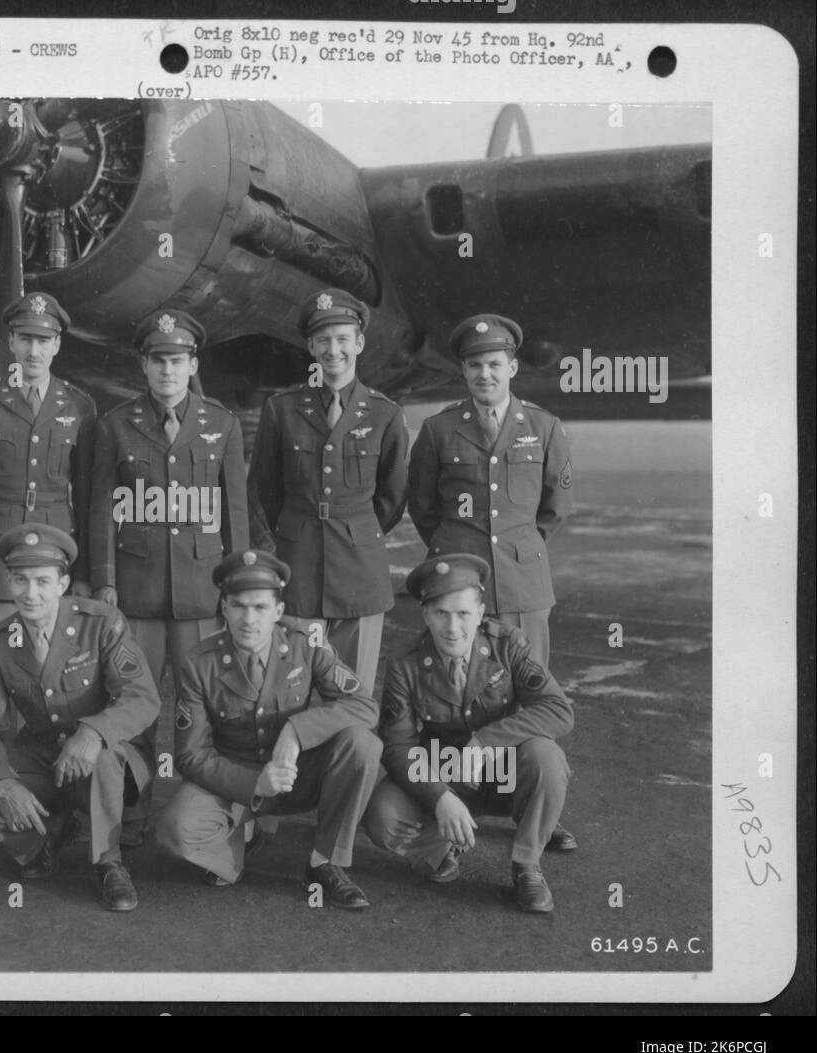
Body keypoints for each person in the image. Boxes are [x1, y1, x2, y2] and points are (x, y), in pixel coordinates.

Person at [89, 309, 248, 846]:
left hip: (202, 592)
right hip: (135, 592)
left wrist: (239, 587)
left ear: (192, 364)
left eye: (177, 361)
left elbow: (235, 514)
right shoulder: (117, 423)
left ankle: (206, 812)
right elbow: (100, 510)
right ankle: (130, 816)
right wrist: (104, 578)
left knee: (203, 709)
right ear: (144, 365)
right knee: (134, 706)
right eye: (158, 361)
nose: (167, 371)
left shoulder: (222, 423)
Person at [157, 549, 381, 909]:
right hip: (236, 781)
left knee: (362, 744)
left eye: (260, 608)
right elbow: (189, 754)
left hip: (297, 774)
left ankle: (326, 861)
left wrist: (297, 730)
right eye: (239, 606)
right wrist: (253, 785)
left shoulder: (305, 642)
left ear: (278, 611)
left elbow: (364, 706)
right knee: (176, 829)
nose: (249, 619)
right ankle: (239, 843)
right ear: (224, 609)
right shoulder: (199, 662)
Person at [0, 524, 161, 911]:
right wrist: (2, 782)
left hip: (108, 762)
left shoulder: (101, 623)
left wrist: (93, 733)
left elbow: (142, 697)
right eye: (20, 580)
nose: (30, 593)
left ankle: (109, 862)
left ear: (63, 583)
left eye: (42, 581)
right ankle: (42, 843)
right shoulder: (1, 642)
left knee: (101, 757)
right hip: (44, 758)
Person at [363, 554, 574, 913]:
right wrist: (439, 796)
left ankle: (526, 865)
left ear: (480, 613)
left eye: (463, 614)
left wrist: (485, 742)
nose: (453, 626)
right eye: (442, 613)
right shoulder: (405, 662)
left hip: (503, 771)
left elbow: (559, 711)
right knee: (382, 818)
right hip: (444, 770)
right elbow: (398, 744)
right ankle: (441, 850)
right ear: (426, 615)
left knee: (547, 758)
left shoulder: (508, 644)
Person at [247, 288, 408, 696]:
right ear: (311, 346)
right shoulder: (282, 409)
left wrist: (354, 530)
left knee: (352, 696)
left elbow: (391, 498)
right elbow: (265, 490)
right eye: (323, 340)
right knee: (292, 692)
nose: (333, 350)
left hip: (359, 573)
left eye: (342, 339)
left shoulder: (385, 413)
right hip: (298, 568)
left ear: (359, 342)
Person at [406, 314, 574, 667]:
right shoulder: (439, 430)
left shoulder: (544, 427)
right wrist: (454, 545)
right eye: (475, 365)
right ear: (464, 370)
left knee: (528, 685)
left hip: (523, 583)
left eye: (495, 364)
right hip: (458, 582)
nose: (485, 374)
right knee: (459, 686)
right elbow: (423, 505)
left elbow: (555, 505)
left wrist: (521, 545)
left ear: (512, 368)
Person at [0, 293, 96, 677]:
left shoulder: (79, 406)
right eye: (25, 339)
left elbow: (89, 496)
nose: (34, 350)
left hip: (53, 556)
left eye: (43, 340)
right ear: (11, 342)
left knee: (51, 672)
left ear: (57, 345)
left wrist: (83, 573)